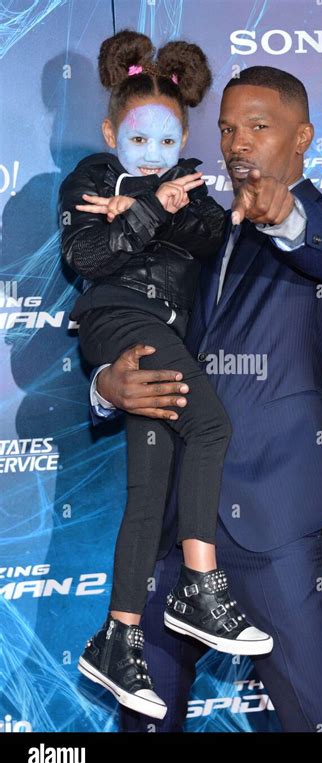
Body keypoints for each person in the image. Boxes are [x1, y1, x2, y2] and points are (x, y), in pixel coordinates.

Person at [88, 65, 322, 732]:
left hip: (275, 527)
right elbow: (140, 319)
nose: (237, 143)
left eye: (258, 126)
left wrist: (287, 213)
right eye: (226, 129)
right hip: (174, 524)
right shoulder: (201, 232)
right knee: (143, 722)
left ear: (302, 136)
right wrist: (107, 385)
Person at [58, 30, 273, 722]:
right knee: (210, 426)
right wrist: (147, 206)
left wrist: (156, 205)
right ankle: (198, 587)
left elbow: (209, 235)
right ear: (110, 133)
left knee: (149, 491)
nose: (153, 154)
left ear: (183, 139)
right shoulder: (92, 178)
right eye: (138, 139)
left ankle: (117, 638)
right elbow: (88, 256)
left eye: (167, 140)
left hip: (162, 338)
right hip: (120, 321)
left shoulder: (192, 188)